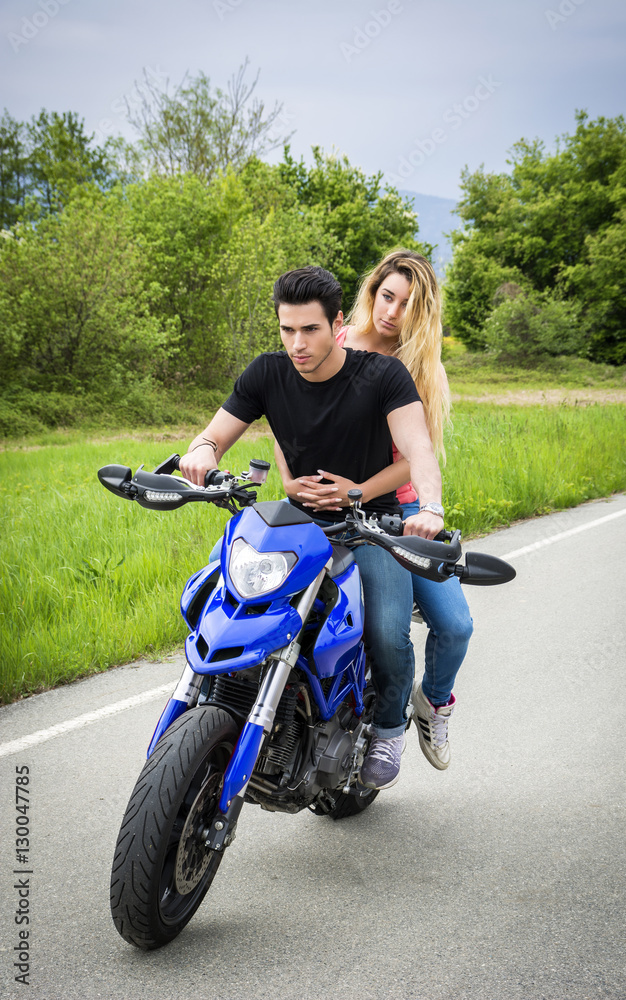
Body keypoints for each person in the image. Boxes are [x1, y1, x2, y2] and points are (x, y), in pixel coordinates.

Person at [179, 264, 445, 791]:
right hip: (295, 521)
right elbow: (213, 437)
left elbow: (418, 449)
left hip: (371, 522)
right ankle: (216, 701)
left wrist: (430, 507)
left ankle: (389, 728)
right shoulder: (267, 373)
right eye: (287, 330)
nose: (297, 344)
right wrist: (201, 453)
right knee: (211, 593)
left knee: (388, 634)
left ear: (338, 323)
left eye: (310, 330)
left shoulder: (383, 376)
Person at [273, 250, 473, 783]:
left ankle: (432, 706)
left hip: (400, 507)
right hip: (338, 504)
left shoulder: (421, 369)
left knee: (455, 625)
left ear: (422, 312)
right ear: (371, 292)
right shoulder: (329, 342)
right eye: (387, 295)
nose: (392, 311)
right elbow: (281, 409)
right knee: (373, 627)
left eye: (407, 304)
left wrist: (368, 492)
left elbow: (415, 456)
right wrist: (291, 479)